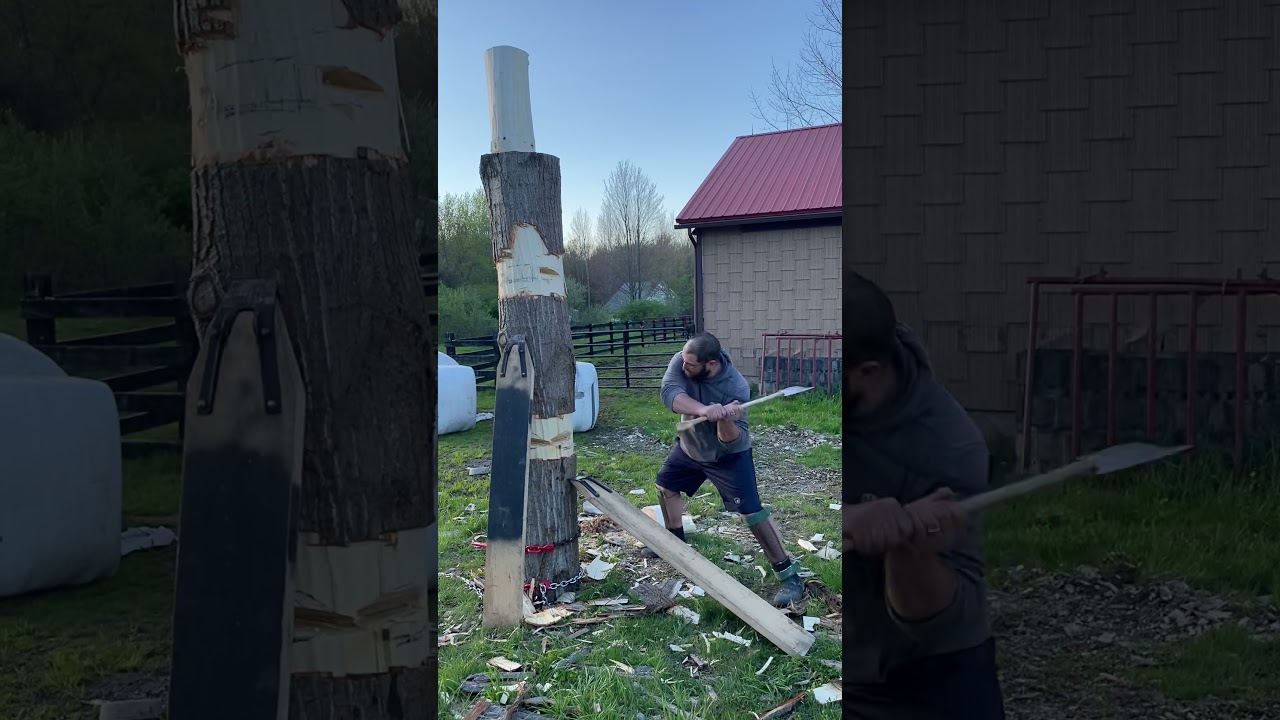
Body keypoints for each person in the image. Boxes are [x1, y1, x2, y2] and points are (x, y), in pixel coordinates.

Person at [840, 273, 1006, 719]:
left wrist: (907, 549)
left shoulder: (949, 446)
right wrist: (849, 518)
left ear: (868, 373)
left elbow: (938, 623)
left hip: (928, 677)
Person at [646, 332, 805, 607]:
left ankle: (789, 575)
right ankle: (675, 541)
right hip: (690, 447)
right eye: (684, 362)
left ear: (710, 363)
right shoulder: (682, 361)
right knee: (666, 486)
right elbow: (669, 394)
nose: (684, 368)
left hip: (728, 457)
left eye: (691, 366)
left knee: (751, 513)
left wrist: (725, 419)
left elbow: (730, 440)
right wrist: (705, 410)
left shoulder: (736, 387)